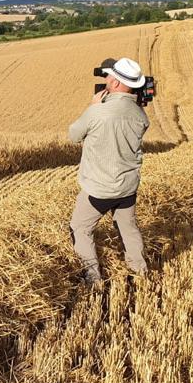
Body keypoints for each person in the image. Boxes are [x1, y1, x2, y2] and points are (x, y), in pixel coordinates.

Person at [67, 57, 150, 285]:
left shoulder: (97, 112)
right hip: (128, 187)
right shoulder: (141, 115)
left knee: (80, 228)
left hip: (100, 189)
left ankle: (93, 276)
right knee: (128, 228)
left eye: (108, 77)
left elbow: (74, 135)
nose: (105, 81)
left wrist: (92, 107)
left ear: (114, 83)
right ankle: (140, 271)